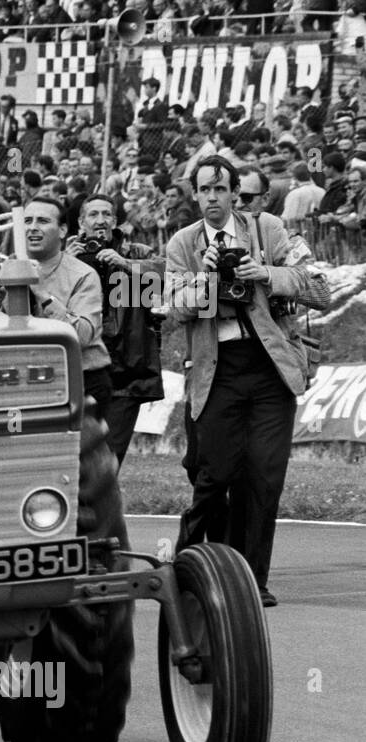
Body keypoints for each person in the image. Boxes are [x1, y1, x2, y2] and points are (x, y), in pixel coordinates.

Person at [166, 155, 316, 608]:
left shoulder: (267, 229)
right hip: (217, 369)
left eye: (221, 189)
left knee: (263, 476)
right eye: (204, 189)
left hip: (270, 366)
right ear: (195, 195)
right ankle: (190, 564)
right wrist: (208, 279)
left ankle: (253, 579)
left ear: (235, 194)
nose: (213, 197)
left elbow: (317, 283)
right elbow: (171, 308)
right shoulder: (183, 243)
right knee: (213, 476)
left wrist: (264, 273)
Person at [0, 196, 111, 413]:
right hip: (24, 380)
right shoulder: (8, 267)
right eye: (27, 221)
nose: (33, 228)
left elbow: (81, 336)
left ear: (62, 231)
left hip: (79, 380)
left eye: (42, 221)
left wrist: (42, 292)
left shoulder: (83, 275)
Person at [66, 194, 165, 464]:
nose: (100, 221)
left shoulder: (137, 253)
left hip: (127, 373)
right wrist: (65, 264)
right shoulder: (67, 260)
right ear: (81, 222)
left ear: (115, 220)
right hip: (80, 372)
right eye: (93, 215)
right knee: (75, 460)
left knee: (108, 461)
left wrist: (126, 265)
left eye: (106, 214)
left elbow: (172, 285)